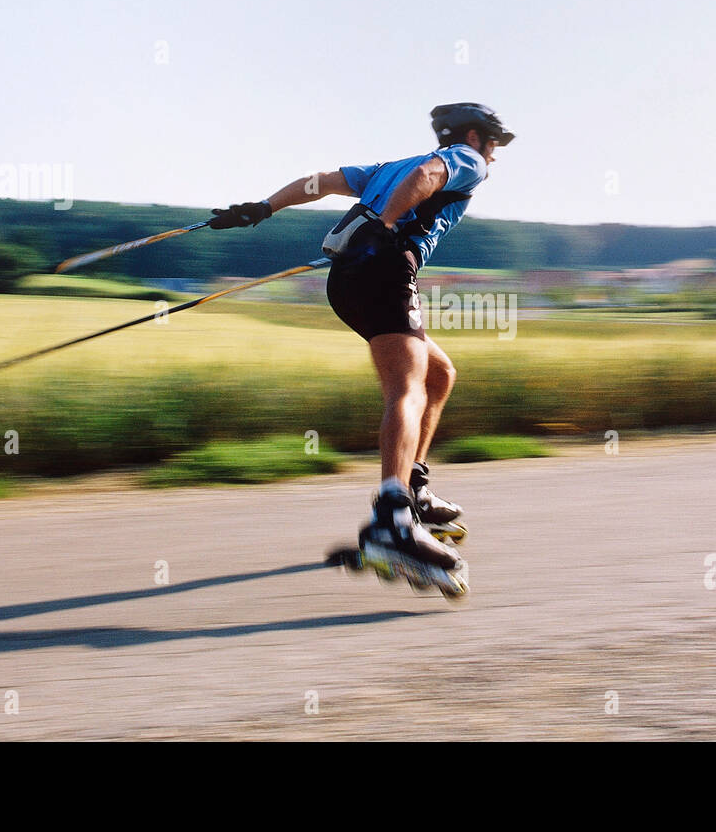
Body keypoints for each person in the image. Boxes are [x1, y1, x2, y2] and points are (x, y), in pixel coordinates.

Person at [208, 103, 514, 588]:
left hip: (348, 279)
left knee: (438, 375)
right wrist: (387, 225)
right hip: (384, 269)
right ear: (476, 136)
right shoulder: (466, 160)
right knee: (407, 389)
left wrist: (266, 207)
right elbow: (430, 171)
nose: (495, 155)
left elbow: (322, 181)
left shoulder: (382, 169)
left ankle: (413, 490)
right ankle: (392, 520)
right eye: (496, 143)